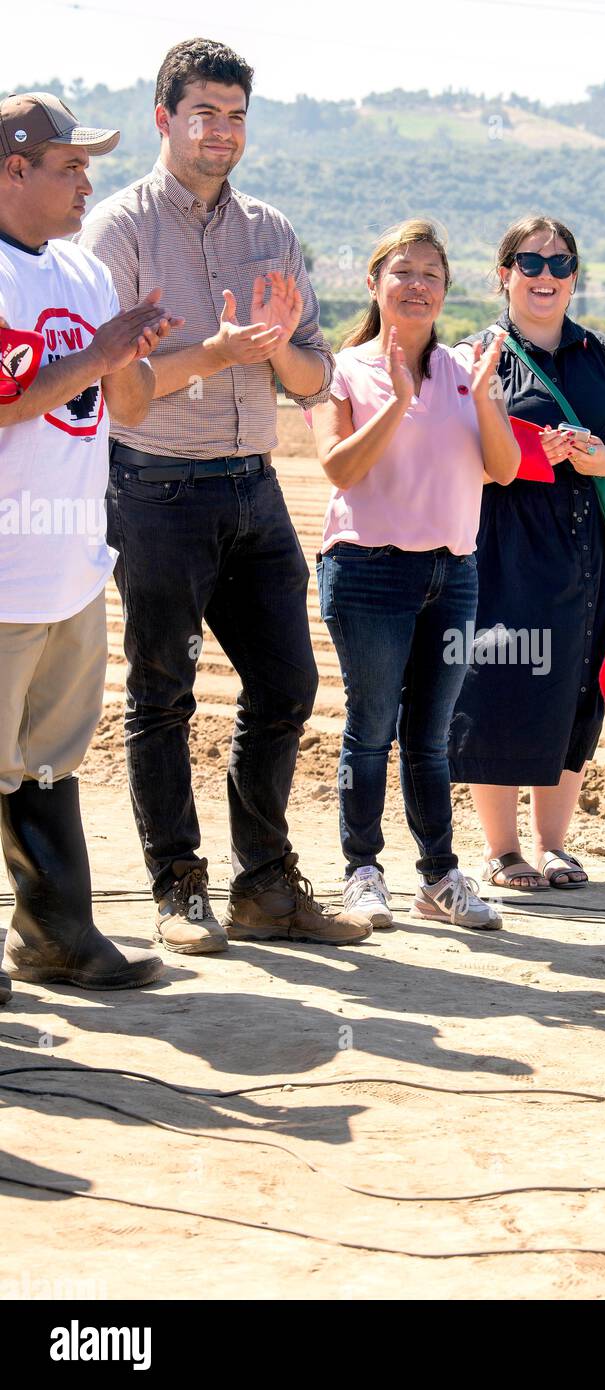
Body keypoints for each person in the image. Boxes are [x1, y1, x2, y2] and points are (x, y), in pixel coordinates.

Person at [77, 38, 373, 952]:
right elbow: (119, 391)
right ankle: (177, 887)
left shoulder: (271, 232)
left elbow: (316, 378)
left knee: (287, 685)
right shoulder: (118, 231)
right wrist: (215, 353)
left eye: (236, 115)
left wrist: (277, 345)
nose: (222, 132)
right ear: (164, 118)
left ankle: (265, 886)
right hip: (154, 488)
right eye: (204, 113)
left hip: (254, 486)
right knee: (161, 692)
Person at [0, 91, 181, 1004]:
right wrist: (100, 352)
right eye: (69, 165)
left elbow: (132, 405)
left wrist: (133, 352)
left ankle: (56, 937)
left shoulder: (82, 273)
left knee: (47, 759)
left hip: (68, 564)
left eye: (88, 165)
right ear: (12, 170)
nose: (86, 182)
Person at [311, 221, 519, 931]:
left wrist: (488, 400)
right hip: (367, 570)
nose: (418, 283)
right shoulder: (344, 370)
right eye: (403, 270)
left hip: (451, 573)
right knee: (370, 728)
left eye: (431, 272)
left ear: (444, 291)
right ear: (374, 285)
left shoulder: (467, 368)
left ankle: (440, 877)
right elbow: (337, 467)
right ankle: (362, 871)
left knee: (430, 737)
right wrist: (397, 401)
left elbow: (504, 469)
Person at [448, 216, 605, 891]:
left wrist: (601, 459)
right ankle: (502, 850)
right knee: (500, 686)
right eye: (530, 262)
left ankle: (552, 844)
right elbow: (449, 457)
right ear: (503, 274)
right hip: (504, 545)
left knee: (576, 687)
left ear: (574, 275)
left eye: (559, 263)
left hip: (593, 549)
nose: (545, 276)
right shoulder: (471, 354)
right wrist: (524, 457)